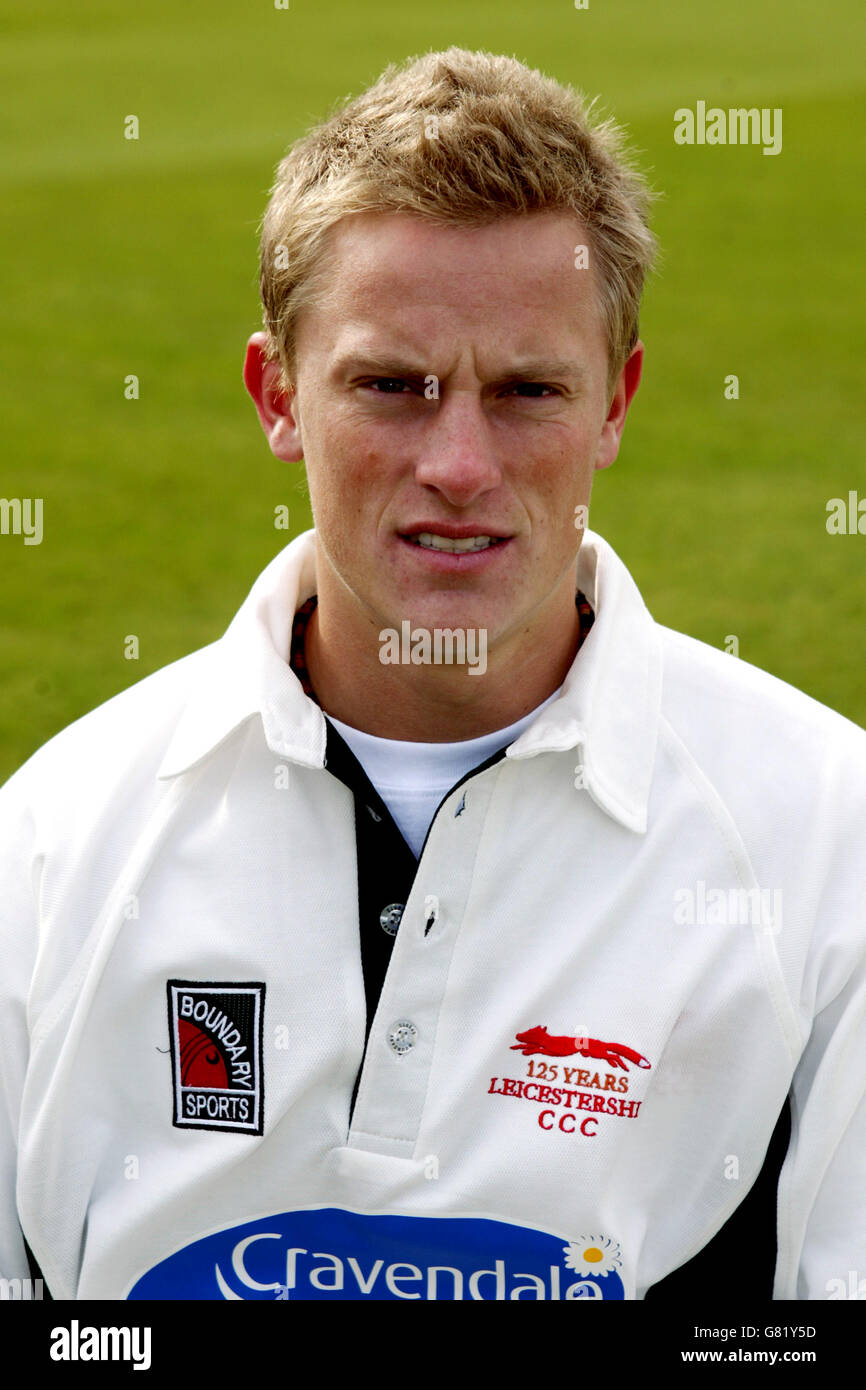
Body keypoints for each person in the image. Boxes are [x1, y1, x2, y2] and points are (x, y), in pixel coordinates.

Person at [1, 46, 864, 1304]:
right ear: (276, 394)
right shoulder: (50, 840)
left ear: (614, 403)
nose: (458, 463)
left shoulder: (829, 835)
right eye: (390, 387)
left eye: (525, 391)